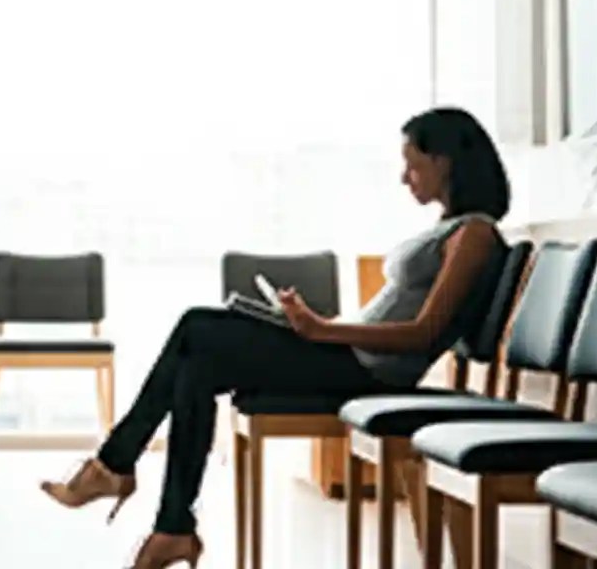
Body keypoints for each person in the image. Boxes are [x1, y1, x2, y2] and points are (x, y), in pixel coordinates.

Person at [39, 107, 511, 569]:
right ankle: (169, 524)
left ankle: (121, 473)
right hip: (350, 356)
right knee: (197, 364)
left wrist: (323, 330)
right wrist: (318, 326)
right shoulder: (452, 227)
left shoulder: (475, 235)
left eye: (412, 164)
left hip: (369, 373)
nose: (404, 177)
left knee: (198, 329)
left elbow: (424, 332)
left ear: (444, 161)